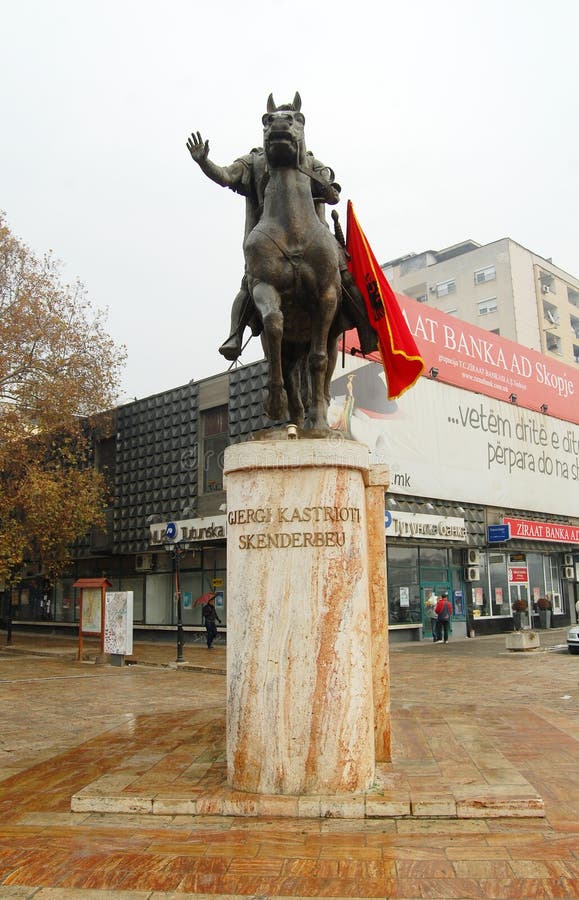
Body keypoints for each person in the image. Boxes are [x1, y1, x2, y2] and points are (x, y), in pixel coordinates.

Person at [186, 95, 377, 362]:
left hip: (313, 232)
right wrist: (204, 162)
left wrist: (328, 186)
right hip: (269, 232)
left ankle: (366, 328)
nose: (280, 124)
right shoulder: (253, 160)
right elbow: (227, 176)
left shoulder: (309, 161)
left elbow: (330, 188)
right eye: (269, 121)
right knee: (249, 281)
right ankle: (235, 333)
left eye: (292, 119)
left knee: (344, 275)